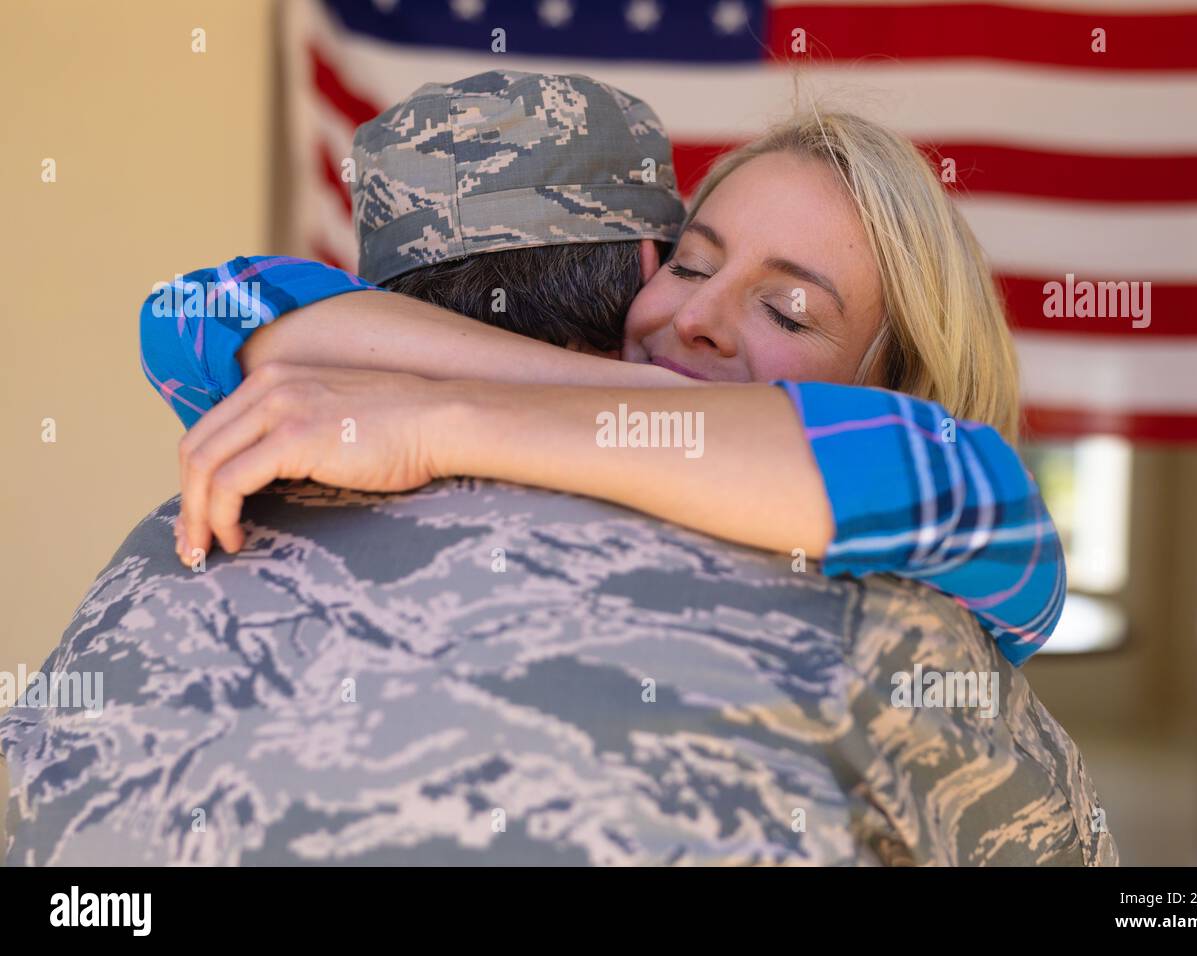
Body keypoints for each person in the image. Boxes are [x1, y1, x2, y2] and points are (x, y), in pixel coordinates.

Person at [0, 74, 1111, 866]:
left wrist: (447, 419)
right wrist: (517, 406)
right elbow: (203, 312)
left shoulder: (921, 555)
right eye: (687, 263)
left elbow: (968, 487)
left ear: (892, 387)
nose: (700, 321)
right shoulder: (270, 479)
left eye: (787, 310)